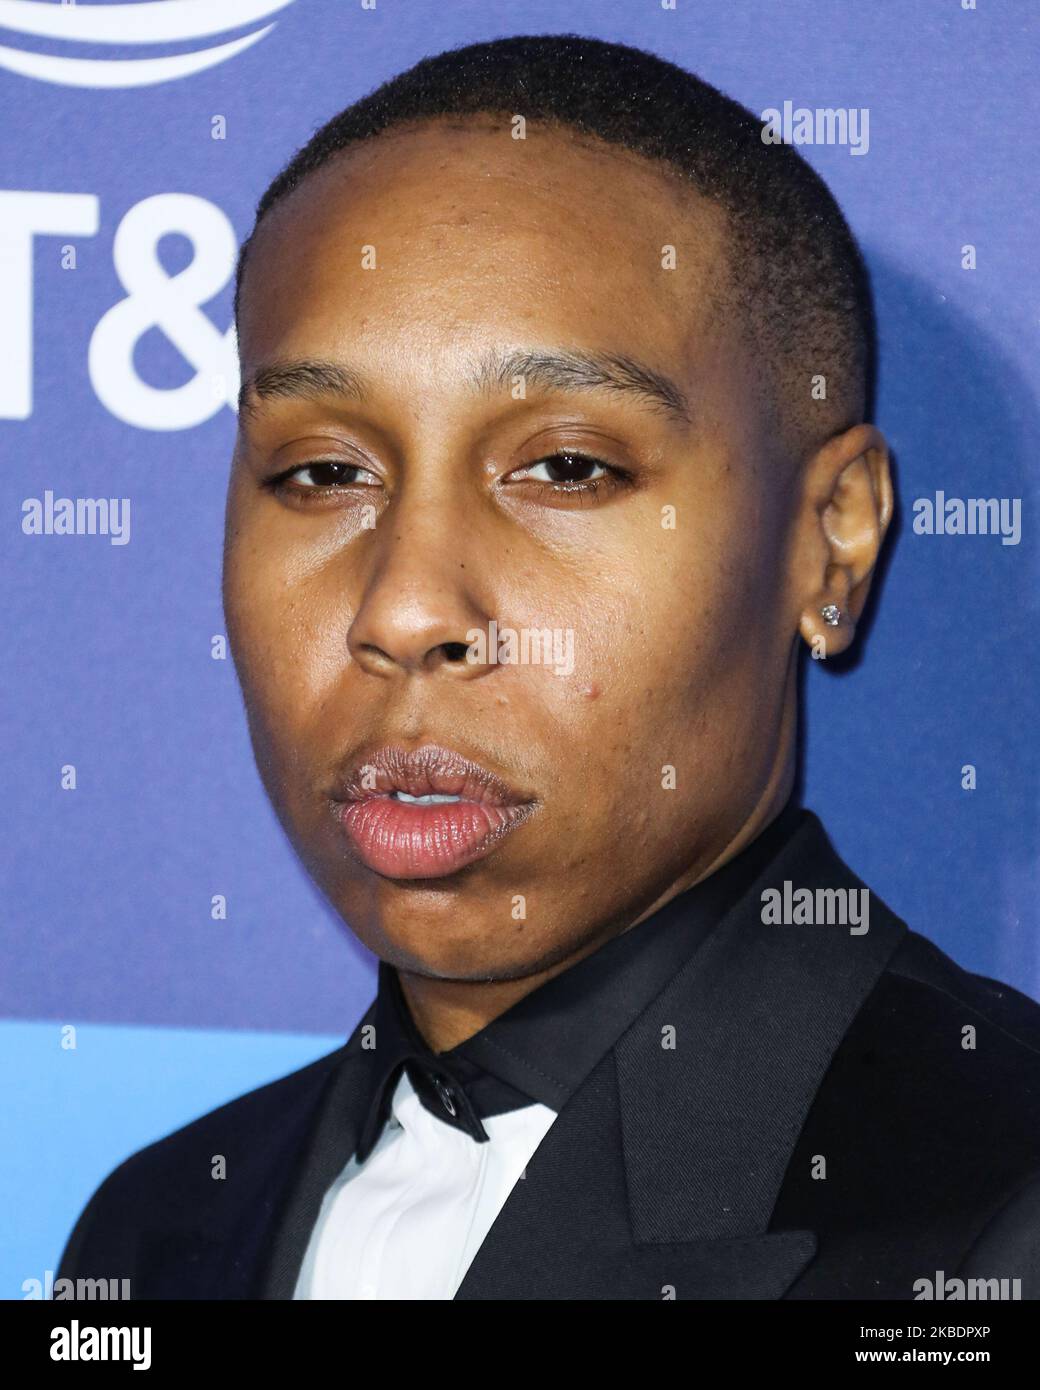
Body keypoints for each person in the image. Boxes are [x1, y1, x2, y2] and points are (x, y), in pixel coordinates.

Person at [57, 33, 1040, 1301]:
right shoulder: (150, 1236)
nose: (406, 609)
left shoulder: (993, 1216)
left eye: (566, 466)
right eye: (322, 473)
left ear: (827, 542)